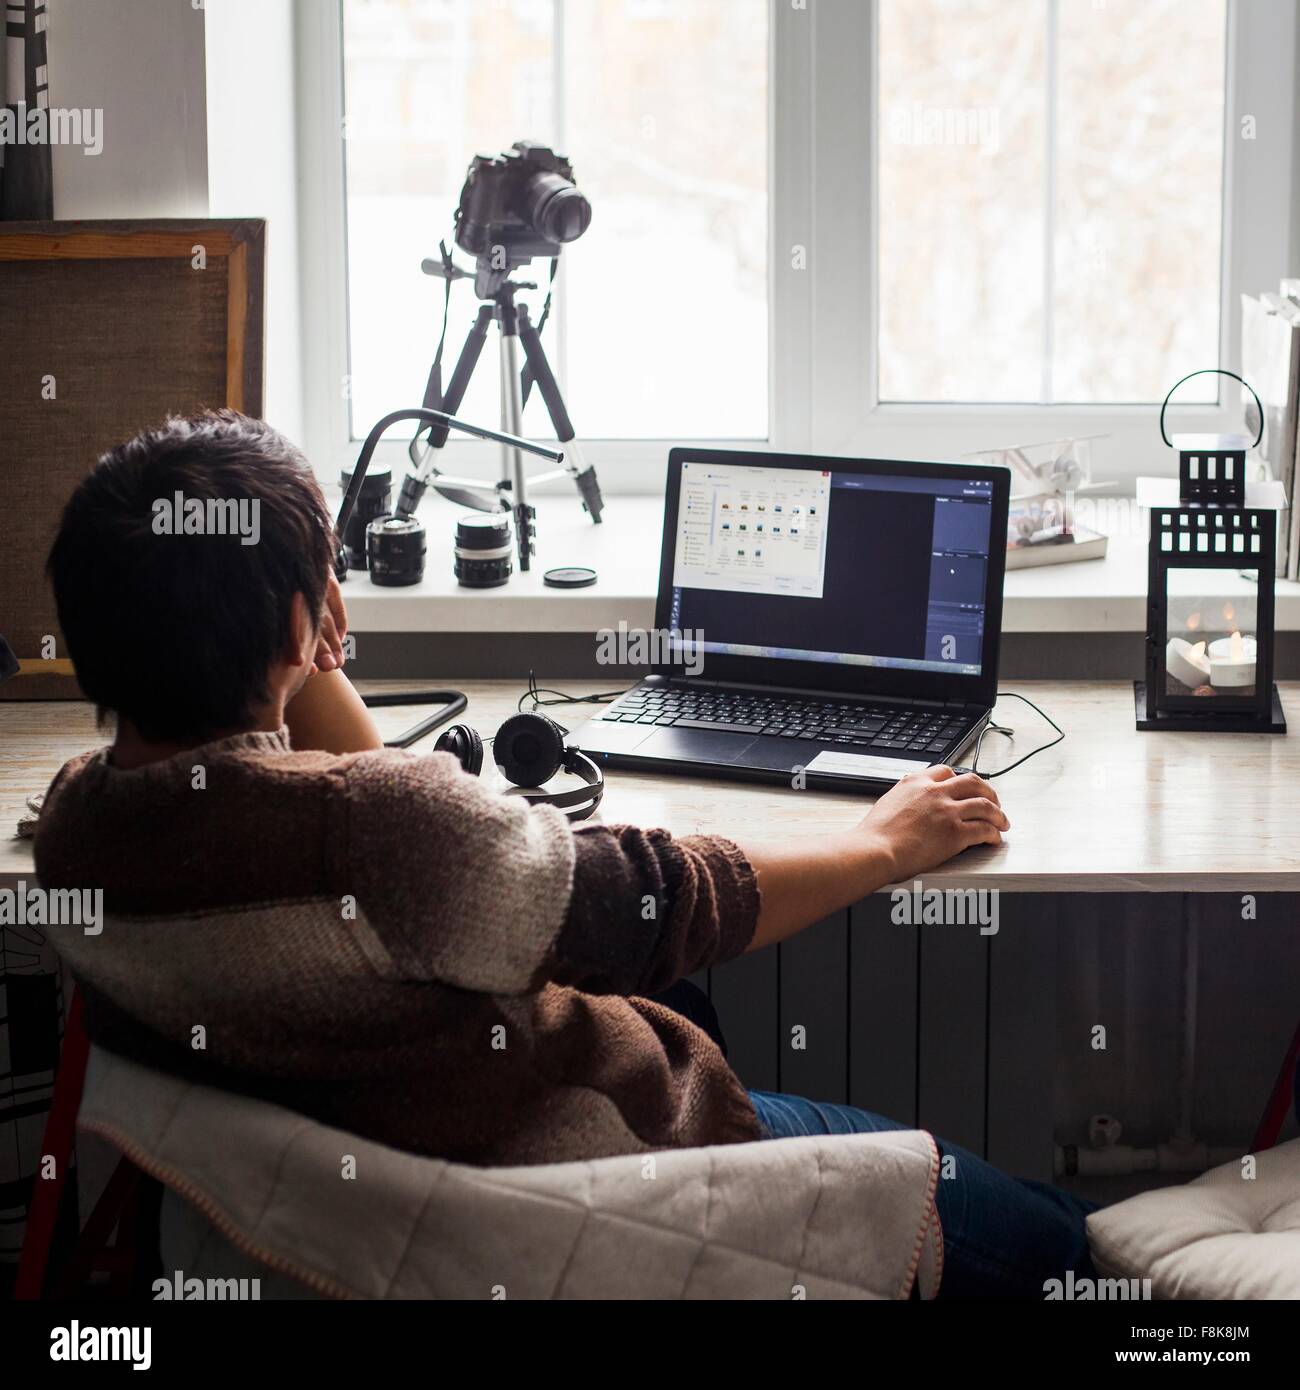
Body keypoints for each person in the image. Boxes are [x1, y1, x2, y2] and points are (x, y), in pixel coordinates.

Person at [35, 411, 1093, 1298]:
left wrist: (294, 627)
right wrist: (881, 838)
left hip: (353, 1180)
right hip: (580, 1178)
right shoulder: (392, 833)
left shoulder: (80, 826)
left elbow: (341, 819)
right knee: (1052, 1243)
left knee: (687, 998)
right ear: (302, 622)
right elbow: (666, 900)